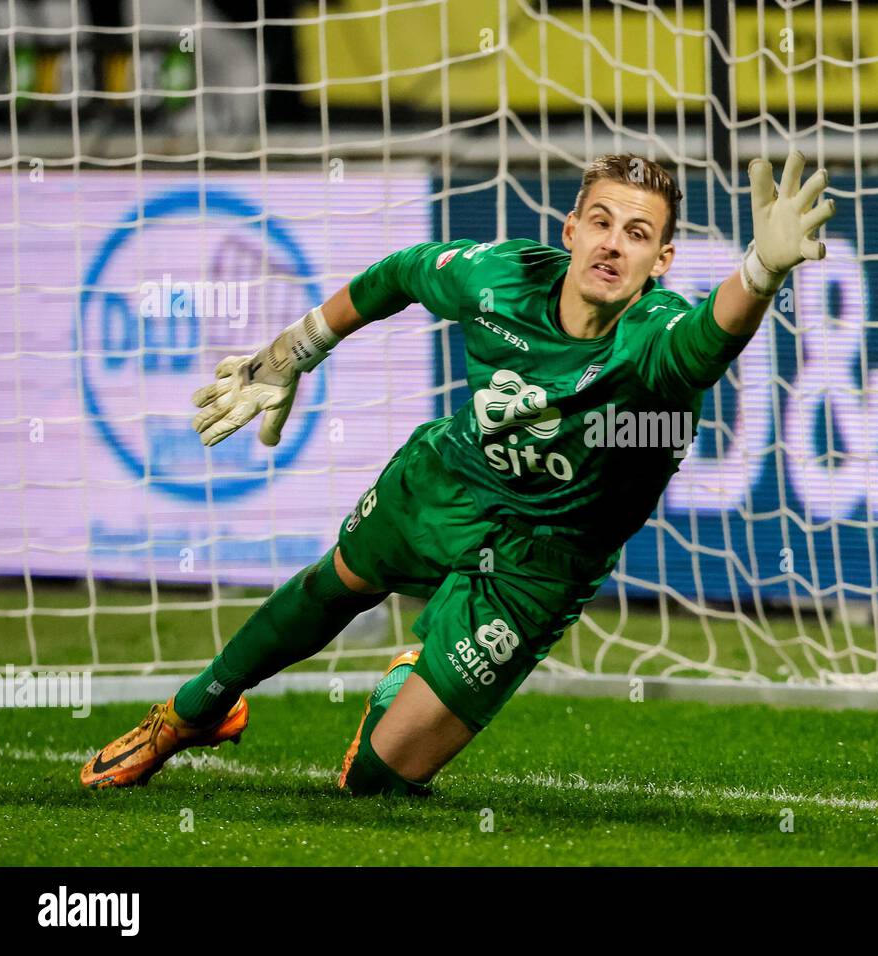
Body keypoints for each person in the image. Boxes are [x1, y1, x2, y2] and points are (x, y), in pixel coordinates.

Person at [80, 151, 835, 795]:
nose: (612, 244)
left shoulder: (654, 338)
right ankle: (189, 713)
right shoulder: (495, 279)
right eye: (600, 222)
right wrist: (293, 351)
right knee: (333, 585)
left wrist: (761, 269)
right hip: (454, 479)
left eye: (637, 234)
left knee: (373, 782)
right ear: (570, 231)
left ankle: (417, 663)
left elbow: (709, 343)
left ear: (661, 262)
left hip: (543, 560)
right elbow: (400, 274)